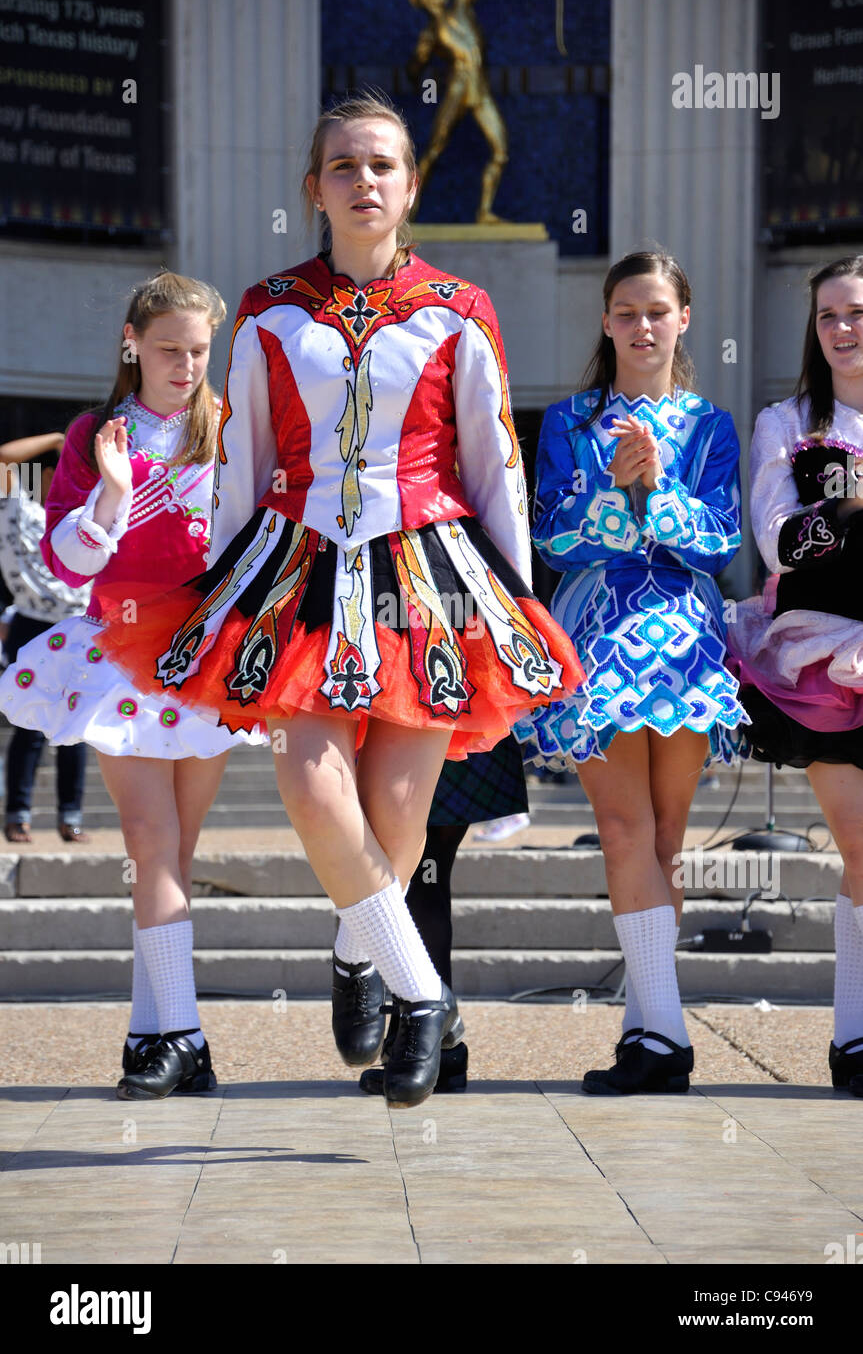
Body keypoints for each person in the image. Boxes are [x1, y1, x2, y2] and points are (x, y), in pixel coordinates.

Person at [99, 93, 582, 1108]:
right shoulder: (269, 306)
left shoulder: (459, 305)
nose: (365, 181)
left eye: (383, 165)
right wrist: (213, 593)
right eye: (345, 165)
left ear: (409, 185)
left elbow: (493, 462)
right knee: (313, 790)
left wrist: (518, 606)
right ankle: (421, 993)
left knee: (399, 806)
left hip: (428, 576)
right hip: (298, 569)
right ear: (313, 187)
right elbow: (244, 458)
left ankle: (359, 952)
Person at [0, 271, 254, 1101]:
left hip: (206, 655)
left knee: (175, 852)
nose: (185, 365)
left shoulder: (233, 428)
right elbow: (69, 563)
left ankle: (163, 1038)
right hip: (120, 648)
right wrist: (112, 488)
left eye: (197, 350)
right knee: (150, 845)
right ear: (132, 343)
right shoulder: (92, 433)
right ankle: (178, 1033)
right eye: (168, 349)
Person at [514, 249, 746, 1095]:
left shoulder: (712, 425)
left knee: (663, 842)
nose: (641, 326)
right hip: (599, 633)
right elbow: (550, 540)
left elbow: (719, 544)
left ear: (682, 319)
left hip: (683, 637)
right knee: (620, 831)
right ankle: (670, 1038)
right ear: (605, 322)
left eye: (656, 311)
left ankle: (643, 1030)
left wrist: (658, 490)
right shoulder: (570, 420)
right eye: (624, 311)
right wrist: (617, 494)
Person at [727, 254, 863, 1100]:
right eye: (827, 317)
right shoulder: (786, 421)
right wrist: (848, 511)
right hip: (823, 659)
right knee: (860, 849)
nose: (843, 329)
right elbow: (775, 544)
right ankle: (851, 1036)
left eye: (855, 312)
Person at [331, 732, 530, 1094]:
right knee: (427, 873)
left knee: (405, 872)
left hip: (409, 717)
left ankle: (426, 1040)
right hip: (460, 708)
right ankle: (434, 1044)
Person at [0, 434, 92, 842]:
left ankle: (70, 817)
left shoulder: (92, 522)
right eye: (65, 474)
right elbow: (3, 457)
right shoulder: (20, 510)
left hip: (79, 628)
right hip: (33, 625)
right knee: (30, 726)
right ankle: (17, 815)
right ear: (51, 475)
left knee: (76, 727)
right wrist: (60, 439)